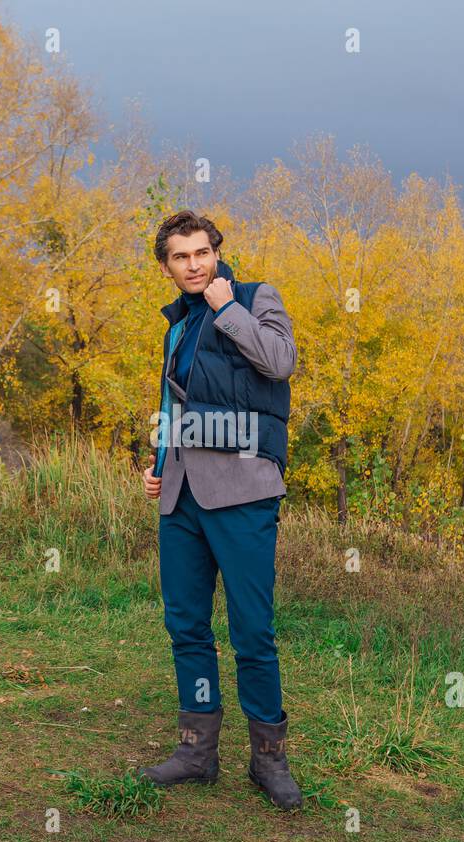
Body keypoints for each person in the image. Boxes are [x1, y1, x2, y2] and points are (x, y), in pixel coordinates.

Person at [137, 210, 302, 810]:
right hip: (181, 496)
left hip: (244, 491)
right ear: (166, 266)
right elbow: (171, 404)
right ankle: (196, 751)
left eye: (202, 252)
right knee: (186, 626)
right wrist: (159, 462)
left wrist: (227, 307)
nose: (193, 265)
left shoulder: (257, 298)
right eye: (180, 257)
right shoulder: (174, 328)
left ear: (217, 252)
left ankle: (269, 760)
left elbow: (280, 363)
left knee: (252, 632)